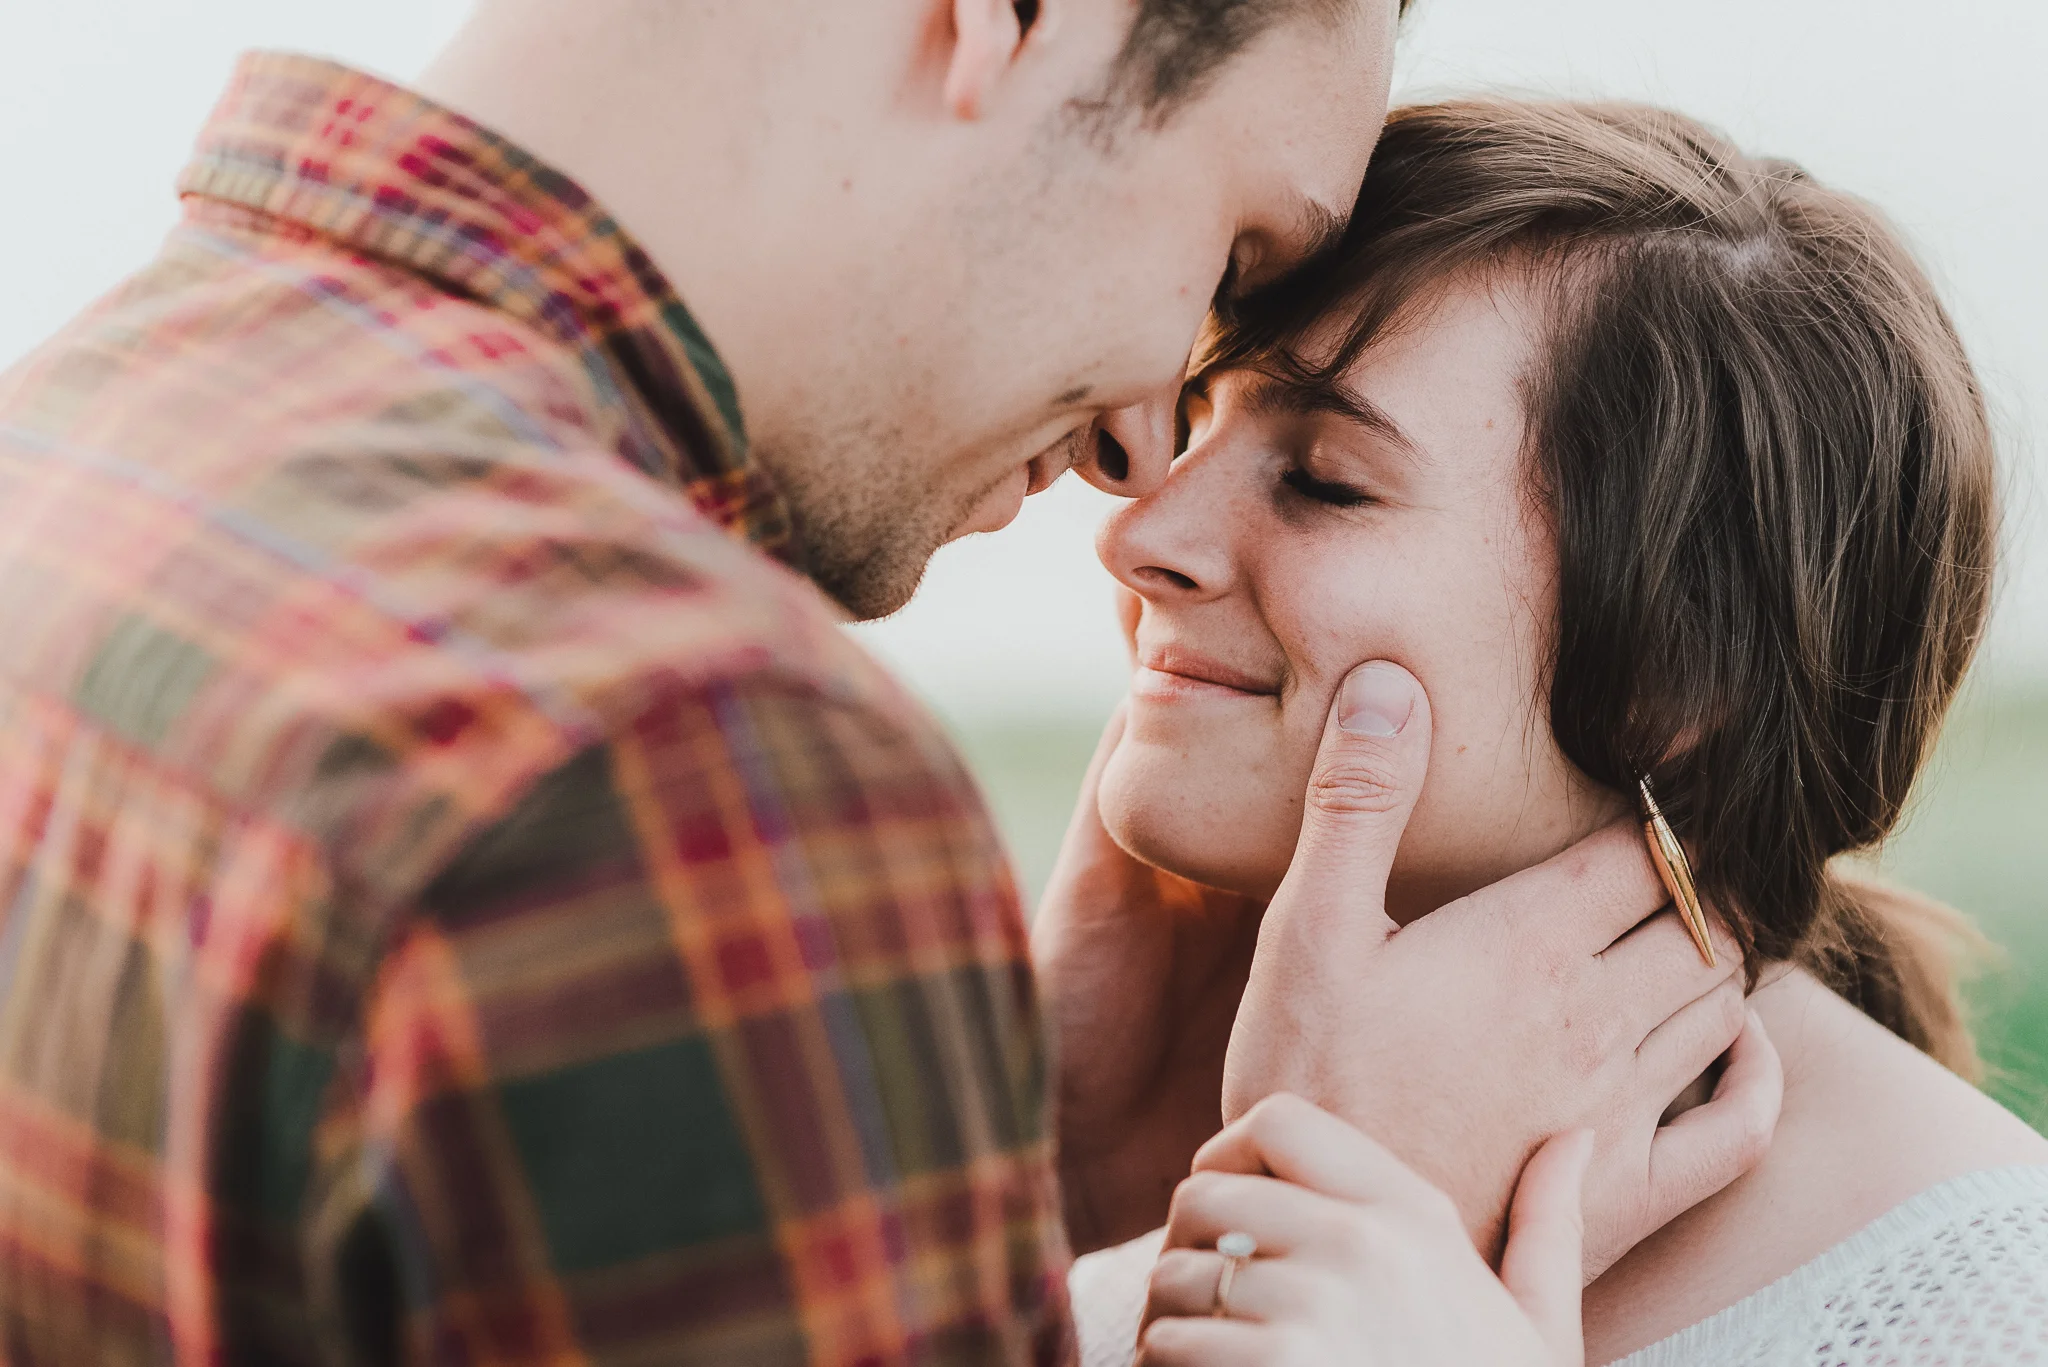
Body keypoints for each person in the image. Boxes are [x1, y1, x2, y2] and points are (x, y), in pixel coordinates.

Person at [0, 3, 1774, 1362]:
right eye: (1230, 257)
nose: (1144, 440)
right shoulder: (682, 749)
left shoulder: (83, 434)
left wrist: (1023, 1203)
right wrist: (1280, 1252)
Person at [1067, 96, 2048, 1366]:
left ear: (1676, 663)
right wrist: (1059, 1177)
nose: (1136, 534)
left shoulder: (1981, 1308)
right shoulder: (1105, 1256)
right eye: (1198, 424)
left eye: (1320, 478)